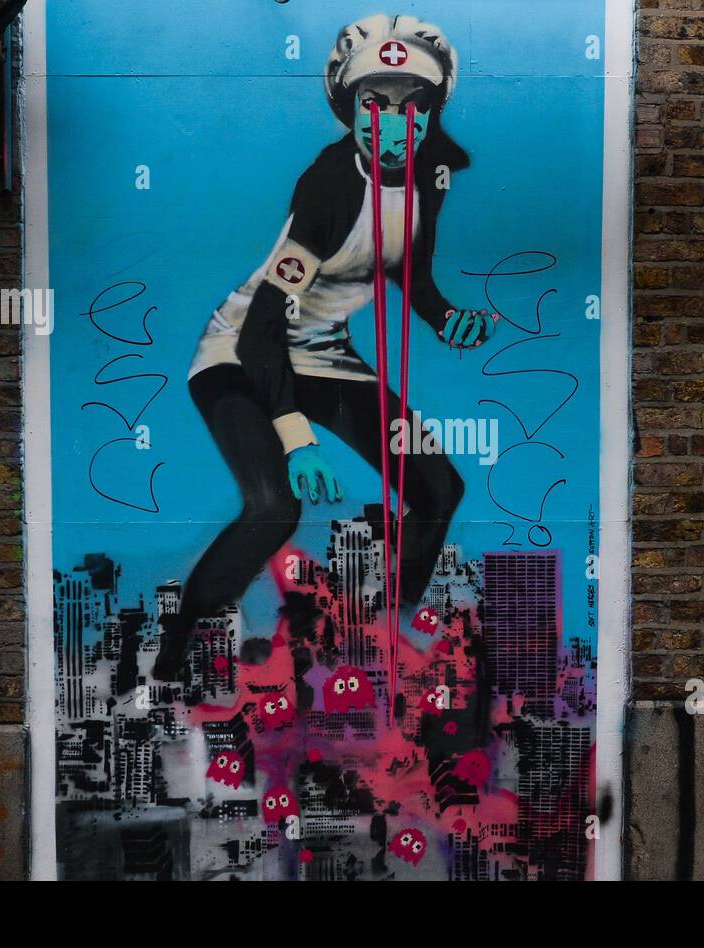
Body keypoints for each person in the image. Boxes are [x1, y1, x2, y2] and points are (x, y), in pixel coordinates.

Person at [154, 14, 496, 680]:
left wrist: (446, 317)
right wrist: (295, 436)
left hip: (324, 356)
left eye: (410, 104)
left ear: (428, 113)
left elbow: (408, 271)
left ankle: (386, 637)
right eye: (376, 102)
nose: (393, 119)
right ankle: (178, 650)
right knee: (275, 507)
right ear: (351, 109)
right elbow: (264, 324)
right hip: (242, 353)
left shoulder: (430, 179)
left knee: (438, 488)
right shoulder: (330, 185)